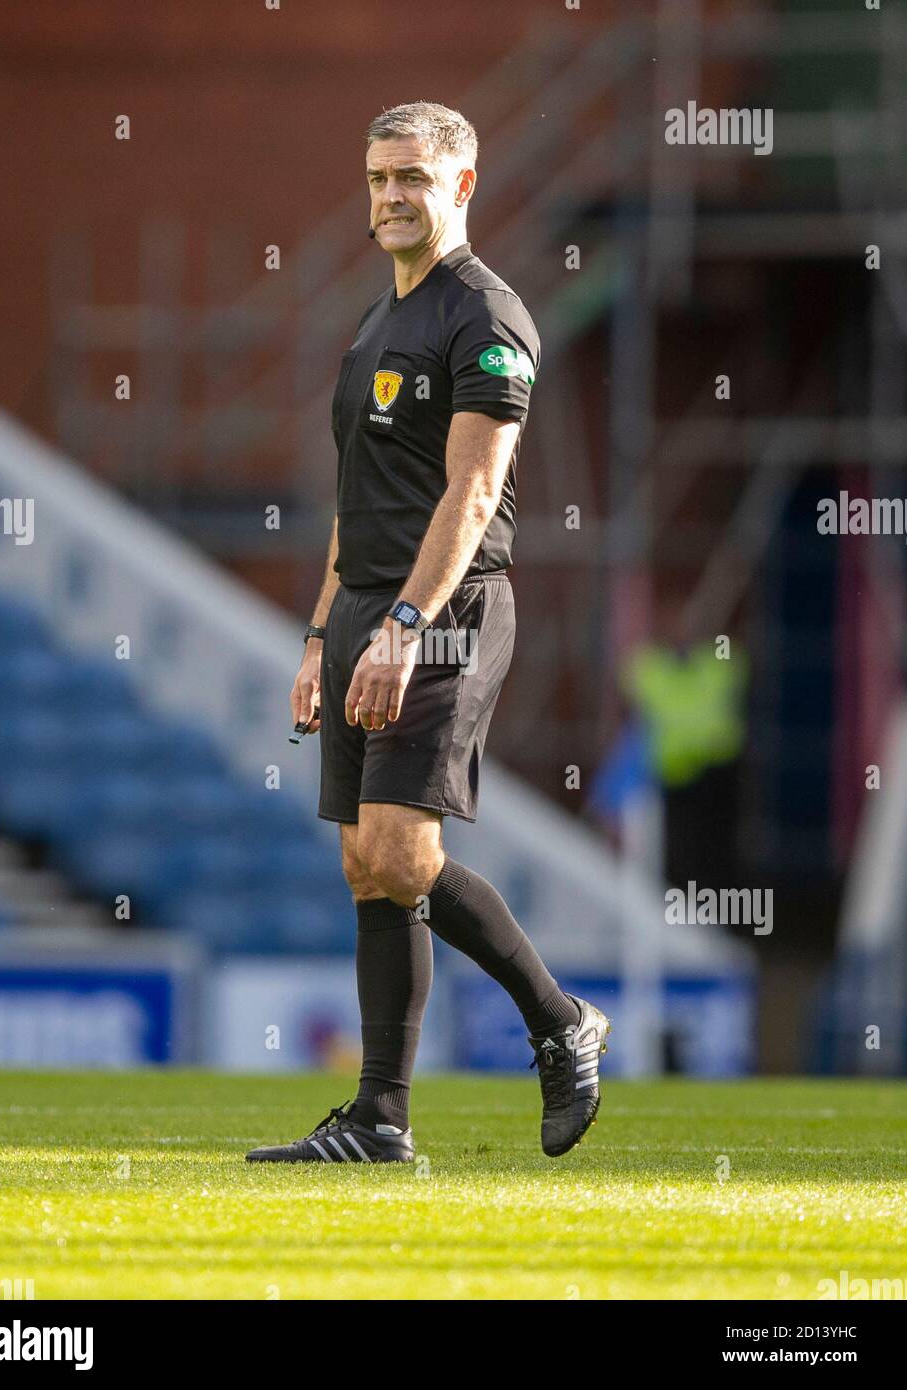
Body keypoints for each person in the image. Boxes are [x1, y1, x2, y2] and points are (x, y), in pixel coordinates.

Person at [247, 101, 610, 1165]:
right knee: (367, 861)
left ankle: (559, 1020)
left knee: (405, 848)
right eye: (375, 178)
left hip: (443, 610)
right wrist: (322, 634)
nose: (391, 196)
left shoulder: (484, 317)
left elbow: (473, 487)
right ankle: (380, 1118)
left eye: (411, 176)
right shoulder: (371, 324)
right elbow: (355, 504)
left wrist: (406, 622)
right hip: (362, 606)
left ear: (461, 185)